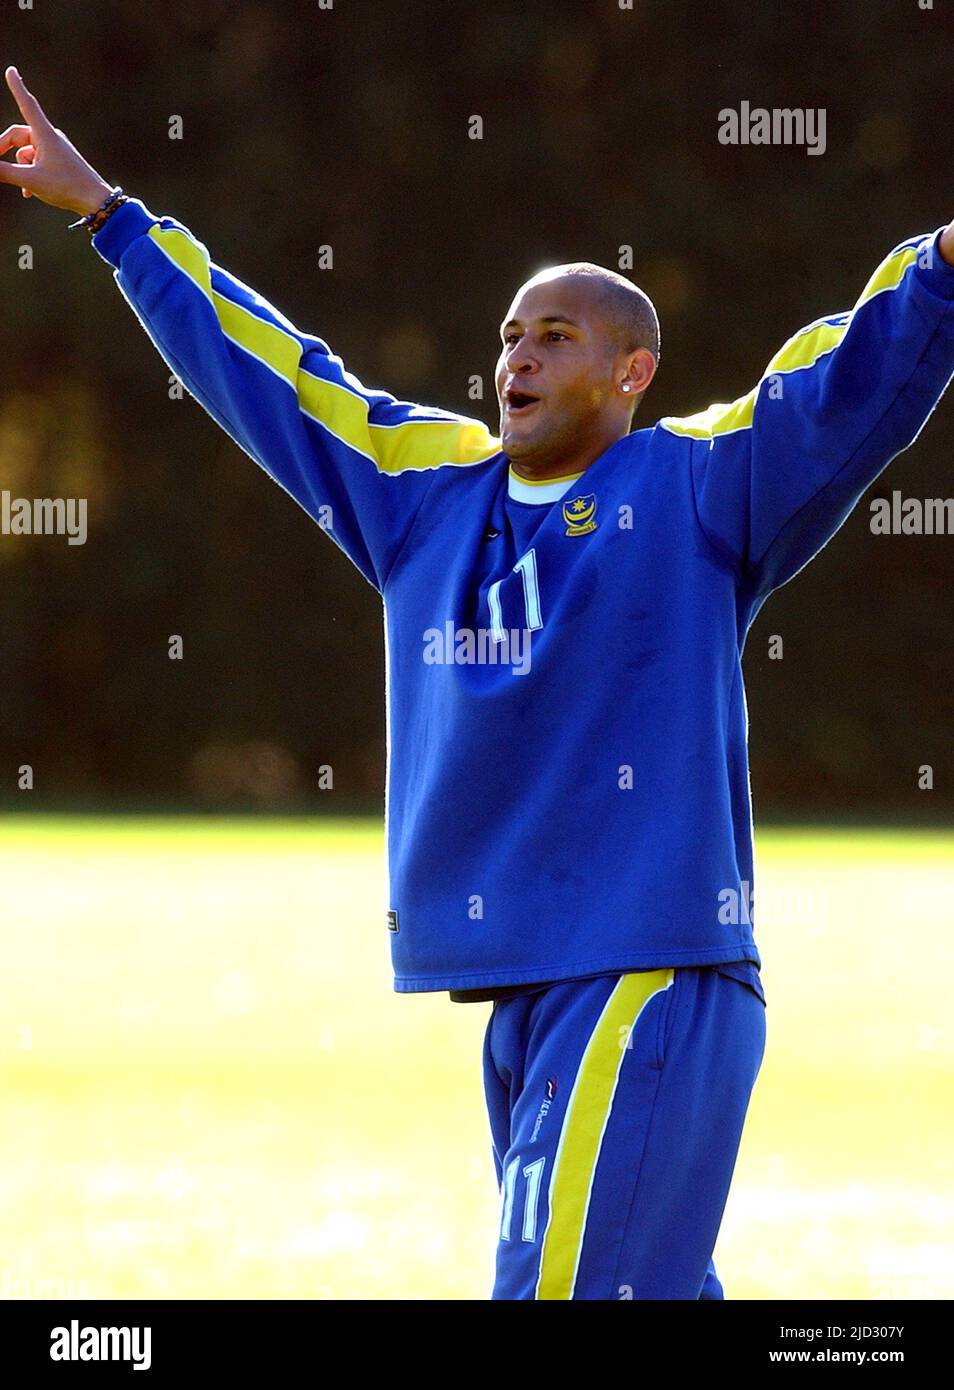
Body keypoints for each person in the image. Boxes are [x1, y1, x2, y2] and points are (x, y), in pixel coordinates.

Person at [4, 64, 953, 1301]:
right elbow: (278, 376)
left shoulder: (694, 486)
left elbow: (835, 386)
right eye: (509, 333)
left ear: (632, 374)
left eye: (558, 335)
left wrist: (938, 261)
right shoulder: (425, 498)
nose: (518, 354)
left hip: (650, 973)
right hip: (526, 990)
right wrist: (112, 220)